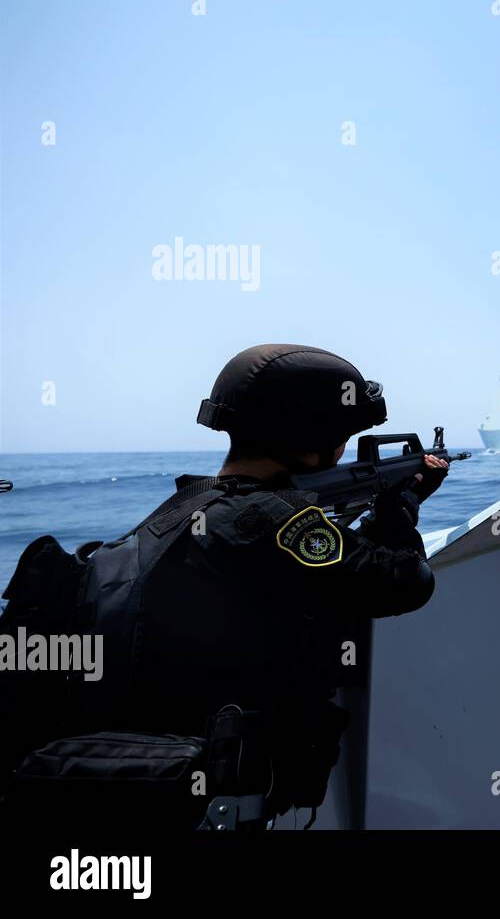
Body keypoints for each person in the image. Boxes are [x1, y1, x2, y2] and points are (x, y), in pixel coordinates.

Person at [1, 344, 445, 829]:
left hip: (104, 797)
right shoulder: (278, 522)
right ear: (310, 442)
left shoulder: (163, 521)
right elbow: (406, 583)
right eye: (341, 440)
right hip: (218, 805)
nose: (342, 452)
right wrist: (401, 507)